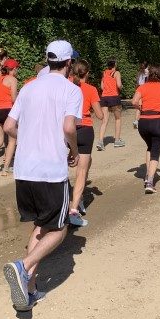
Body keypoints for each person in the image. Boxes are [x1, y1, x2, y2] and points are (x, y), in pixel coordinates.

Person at [2, 40, 82, 312]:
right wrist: (73, 150)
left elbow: (9, 126)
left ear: (48, 60)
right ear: (69, 63)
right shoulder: (71, 90)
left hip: (24, 170)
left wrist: (28, 140)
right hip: (51, 170)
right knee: (60, 229)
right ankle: (22, 267)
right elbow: (69, 126)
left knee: (40, 227)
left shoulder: (28, 88)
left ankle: (29, 290)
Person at [67, 59, 103, 227]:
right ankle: (74, 208)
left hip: (65, 129)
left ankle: (69, 200)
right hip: (85, 129)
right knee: (82, 172)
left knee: (61, 168)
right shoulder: (90, 89)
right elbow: (100, 115)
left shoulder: (65, 86)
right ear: (87, 73)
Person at [133, 64, 160, 193]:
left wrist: (141, 109)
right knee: (155, 152)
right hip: (158, 122)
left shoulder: (143, 87)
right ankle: (150, 182)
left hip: (144, 122)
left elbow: (134, 101)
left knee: (150, 147)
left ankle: (147, 175)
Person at [97, 59, 124, 150]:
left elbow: (102, 87)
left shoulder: (104, 73)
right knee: (118, 119)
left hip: (104, 97)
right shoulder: (116, 73)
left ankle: (100, 141)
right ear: (115, 65)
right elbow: (119, 85)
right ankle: (117, 140)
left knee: (104, 120)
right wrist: (121, 87)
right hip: (114, 97)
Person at [132, 61, 149, 129]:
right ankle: (145, 121)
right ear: (147, 66)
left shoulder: (139, 72)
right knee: (146, 106)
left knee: (139, 106)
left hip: (138, 88)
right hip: (145, 89)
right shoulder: (147, 72)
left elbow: (137, 82)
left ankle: (136, 121)